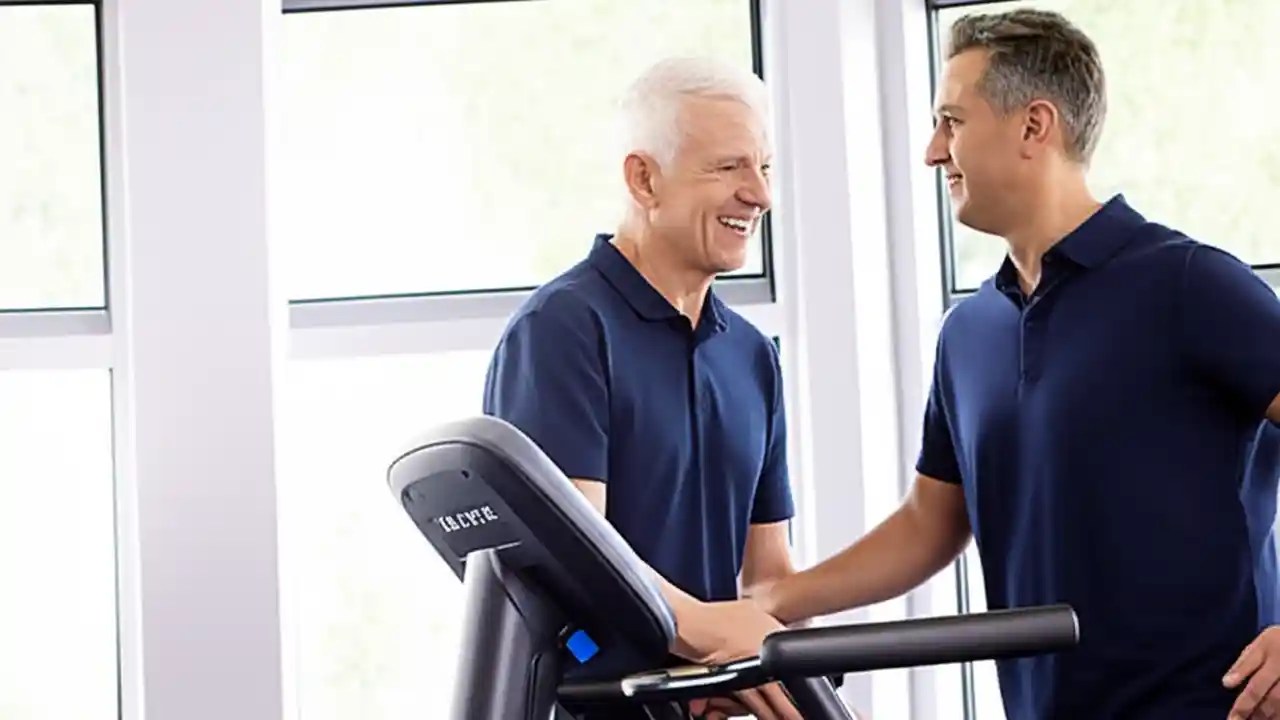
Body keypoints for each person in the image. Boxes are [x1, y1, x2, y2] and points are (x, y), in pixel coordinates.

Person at [744, 8, 1280, 720]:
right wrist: (771, 605)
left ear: (1034, 125)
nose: (935, 151)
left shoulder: (1189, 285)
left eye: (951, 121)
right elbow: (930, 524)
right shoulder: (968, 334)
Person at [482, 56, 804, 720]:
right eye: (729, 167)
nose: (760, 194)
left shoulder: (750, 356)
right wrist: (714, 640)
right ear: (644, 178)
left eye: (765, 168)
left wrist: (776, 674)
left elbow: (768, 575)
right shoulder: (563, 332)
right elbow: (577, 561)